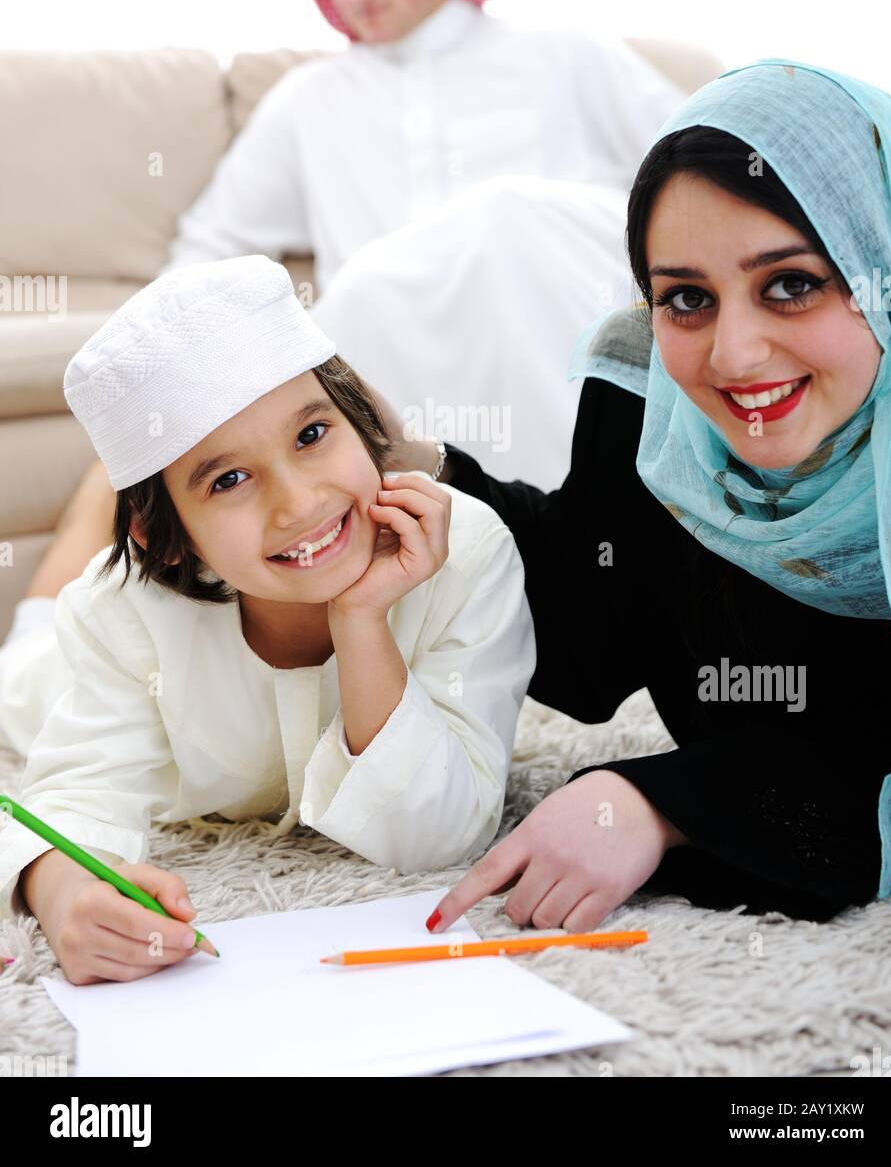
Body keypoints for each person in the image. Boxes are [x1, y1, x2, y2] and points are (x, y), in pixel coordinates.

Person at [369, 58, 891, 932]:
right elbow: (589, 620)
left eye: (791, 284)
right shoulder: (649, 393)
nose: (734, 355)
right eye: (688, 297)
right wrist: (407, 463)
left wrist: (661, 803)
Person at [0, 256, 535, 984]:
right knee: (30, 635)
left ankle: (135, 483)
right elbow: (73, 793)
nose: (299, 503)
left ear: (363, 420)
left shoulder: (467, 553)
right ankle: (111, 497)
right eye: (228, 479)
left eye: (312, 435)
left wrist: (361, 621)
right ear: (168, 540)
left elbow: (441, 832)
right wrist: (63, 896)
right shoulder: (115, 619)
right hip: (44, 670)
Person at [161, 0, 687, 484]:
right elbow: (212, 247)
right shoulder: (309, 99)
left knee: (504, 218)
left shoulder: (562, 51)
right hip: (391, 325)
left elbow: (696, 158)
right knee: (350, 305)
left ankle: (596, 507)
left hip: (557, 286)